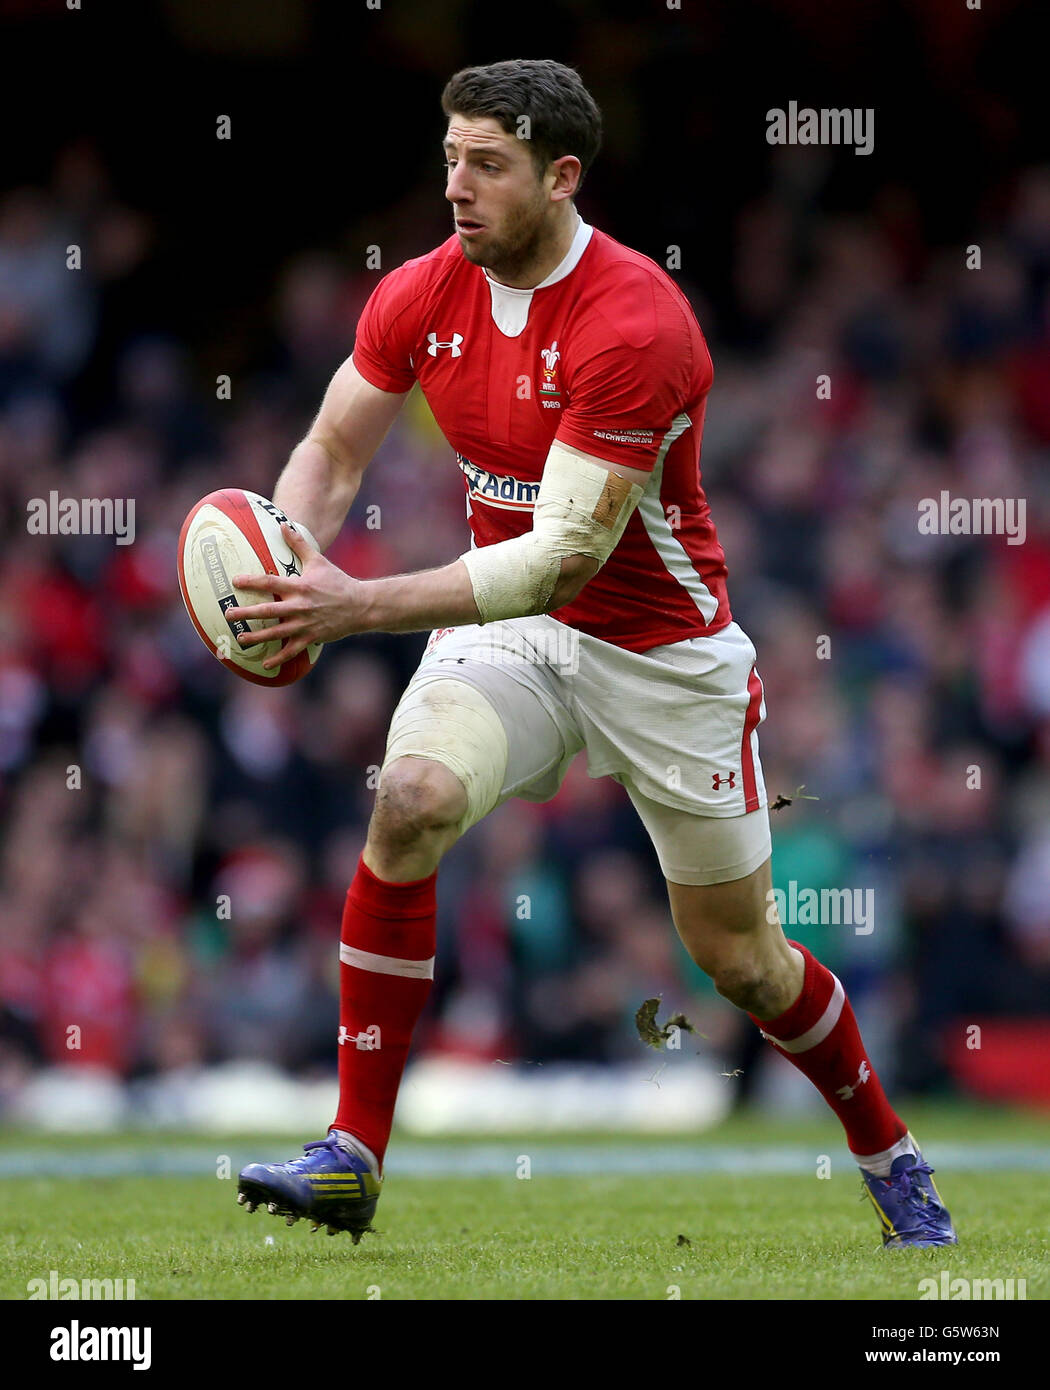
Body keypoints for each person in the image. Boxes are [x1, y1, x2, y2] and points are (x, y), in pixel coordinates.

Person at [227, 59, 955, 1249]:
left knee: (744, 964)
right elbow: (332, 440)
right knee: (406, 801)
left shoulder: (635, 322)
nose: (456, 186)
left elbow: (562, 557)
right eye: (451, 156)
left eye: (489, 165)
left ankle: (888, 1149)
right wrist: (284, 548)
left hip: (661, 656)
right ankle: (353, 1151)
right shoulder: (421, 291)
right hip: (512, 635)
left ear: (563, 178)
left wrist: (350, 607)